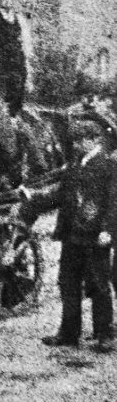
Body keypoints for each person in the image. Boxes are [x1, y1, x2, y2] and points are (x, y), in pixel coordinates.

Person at [45, 108, 117, 355]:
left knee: (98, 284)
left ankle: (104, 334)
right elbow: (59, 196)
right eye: (74, 141)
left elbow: (113, 202)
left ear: (95, 139)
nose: (76, 145)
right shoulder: (74, 166)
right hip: (71, 235)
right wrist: (30, 201)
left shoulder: (108, 166)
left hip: (96, 236)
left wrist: (108, 230)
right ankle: (68, 334)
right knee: (68, 283)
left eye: (80, 141)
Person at [0, 0, 33, 113]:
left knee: (17, 86)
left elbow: (26, 41)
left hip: (16, 59)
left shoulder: (20, 19)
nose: (8, 1)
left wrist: (27, 61)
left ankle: (14, 116)